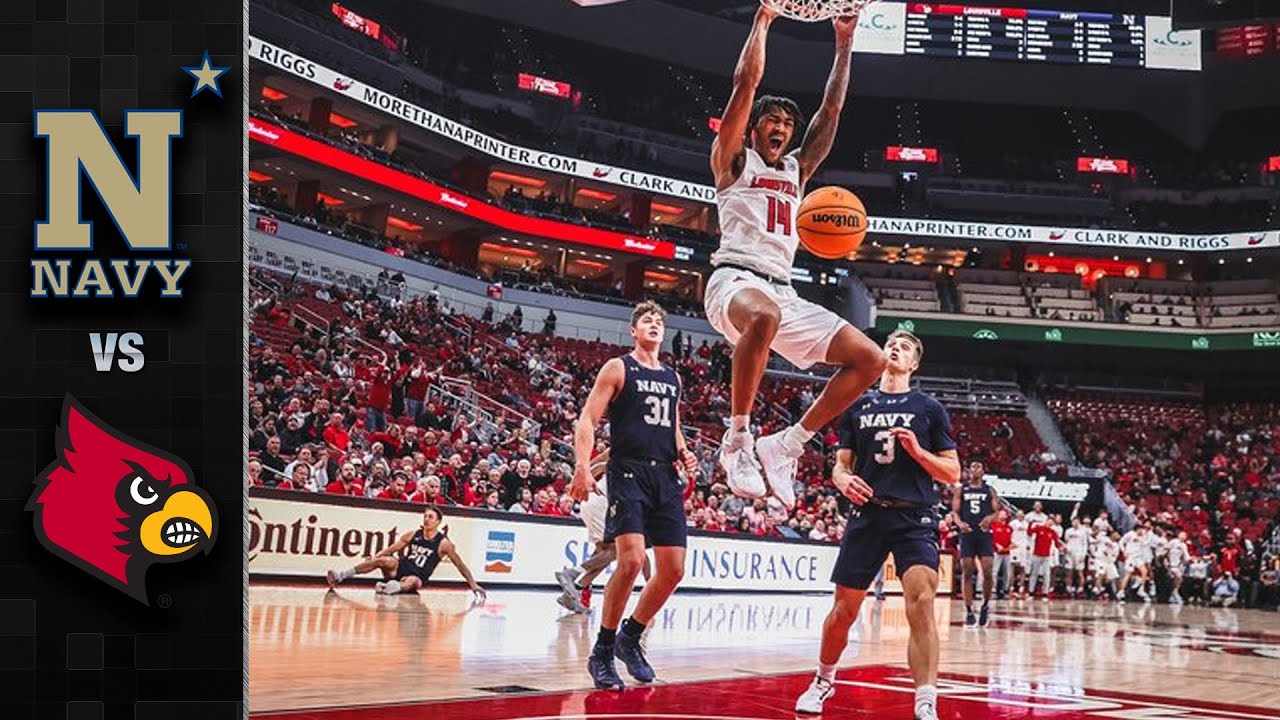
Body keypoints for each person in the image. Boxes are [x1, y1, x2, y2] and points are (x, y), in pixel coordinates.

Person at [706, 4, 885, 512]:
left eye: (787, 122)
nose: (781, 127)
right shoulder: (733, 161)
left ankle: (786, 445)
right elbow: (745, 83)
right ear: (755, 128)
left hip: (782, 290)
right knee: (763, 315)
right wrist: (763, 20)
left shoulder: (797, 170)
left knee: (870, 359)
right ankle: (738, 439)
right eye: (773, 120)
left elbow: (831, 111)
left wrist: (844, 43)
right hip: (734, 282)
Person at [794, 330, 961, 719]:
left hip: (914, 516)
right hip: (867, 514)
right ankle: (823, 680)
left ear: (914, 364)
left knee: (922, 601)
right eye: (891, 344)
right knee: (843, 611)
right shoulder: (857, 406)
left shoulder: (929, 408)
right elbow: (841, 465)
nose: (895, 348)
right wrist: (841, 480)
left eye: (905, 347)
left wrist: (918, 452)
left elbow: (952, 471)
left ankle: (925, 699)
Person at [569, 301, 699, 690]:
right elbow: (587, 419)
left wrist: (684, 450)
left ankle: (631, 636)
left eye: (659, 320)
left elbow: (672, 424)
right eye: (647, 320)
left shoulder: (673, 377)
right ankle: (603, 650)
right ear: (633, 330)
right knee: (631, 561)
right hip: (628, 471)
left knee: (674, 570)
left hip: (665, 475)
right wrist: (582, 465)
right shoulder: (618, 367)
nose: (654, 324)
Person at [554, 448, 653, 614]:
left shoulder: (635, 461)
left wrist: (582, 475)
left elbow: (600, 464)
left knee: (603, 553)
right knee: (615, 551)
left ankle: (573, 592)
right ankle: (572, 573)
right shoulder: (637, 461)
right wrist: (581, 477)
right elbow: (601, 464)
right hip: (600, 504)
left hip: (595, 503)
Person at [325, 505, 486, 599]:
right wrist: (374, 559)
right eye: (425, 516)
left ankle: (391, 588)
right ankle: (341, 576)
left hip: (416, 576)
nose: (426, 519)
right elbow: (391, 549)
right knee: (384, 560)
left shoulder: (444, 543)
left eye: (430, 517)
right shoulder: (413, 534)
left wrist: (473, 585)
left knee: (413, 581)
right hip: (400, 568)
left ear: (438, 522)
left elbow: (460, 565)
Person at [953, 460, 999, 628]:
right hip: (967, 533)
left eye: (979, 466)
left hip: (984, 533)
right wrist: (960, 524)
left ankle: (985, 605)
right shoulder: (961, 489)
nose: (976, 469)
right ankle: (969, 611)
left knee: (987, 570)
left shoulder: (989, 490)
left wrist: (990, 518)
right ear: (968, 471)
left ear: (983, 471)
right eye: (973, 466)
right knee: (967, 570)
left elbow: (996, 511)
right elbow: (955, 512)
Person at [1063, 511, 1091, 599]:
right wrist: (1066, 550)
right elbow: (1066, 541)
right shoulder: (1068, 531)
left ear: (1079, 522)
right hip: (1070, 553)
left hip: (1079, 554)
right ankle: (1068, 588)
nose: (1075, 523)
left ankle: (1080, 589)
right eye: (1073, 521)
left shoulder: (1083, 532)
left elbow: (1085, 544)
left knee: (1080, 572)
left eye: (1077, 521)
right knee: (1069, 572)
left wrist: (1083, 554)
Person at [1165, 530, 1190, 605]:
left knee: (1179, 579)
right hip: (1170, 564)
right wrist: (1167, 561)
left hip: (1178, 565)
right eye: (1182, 535)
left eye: (1185, 536)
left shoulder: (1184, 545)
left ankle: (1174, 594)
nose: (1183, 537)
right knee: (1178, 577)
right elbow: (1166, 550)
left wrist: (1185, 562)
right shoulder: (1173, 542)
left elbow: (1186, 557)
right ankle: (1174, 593)